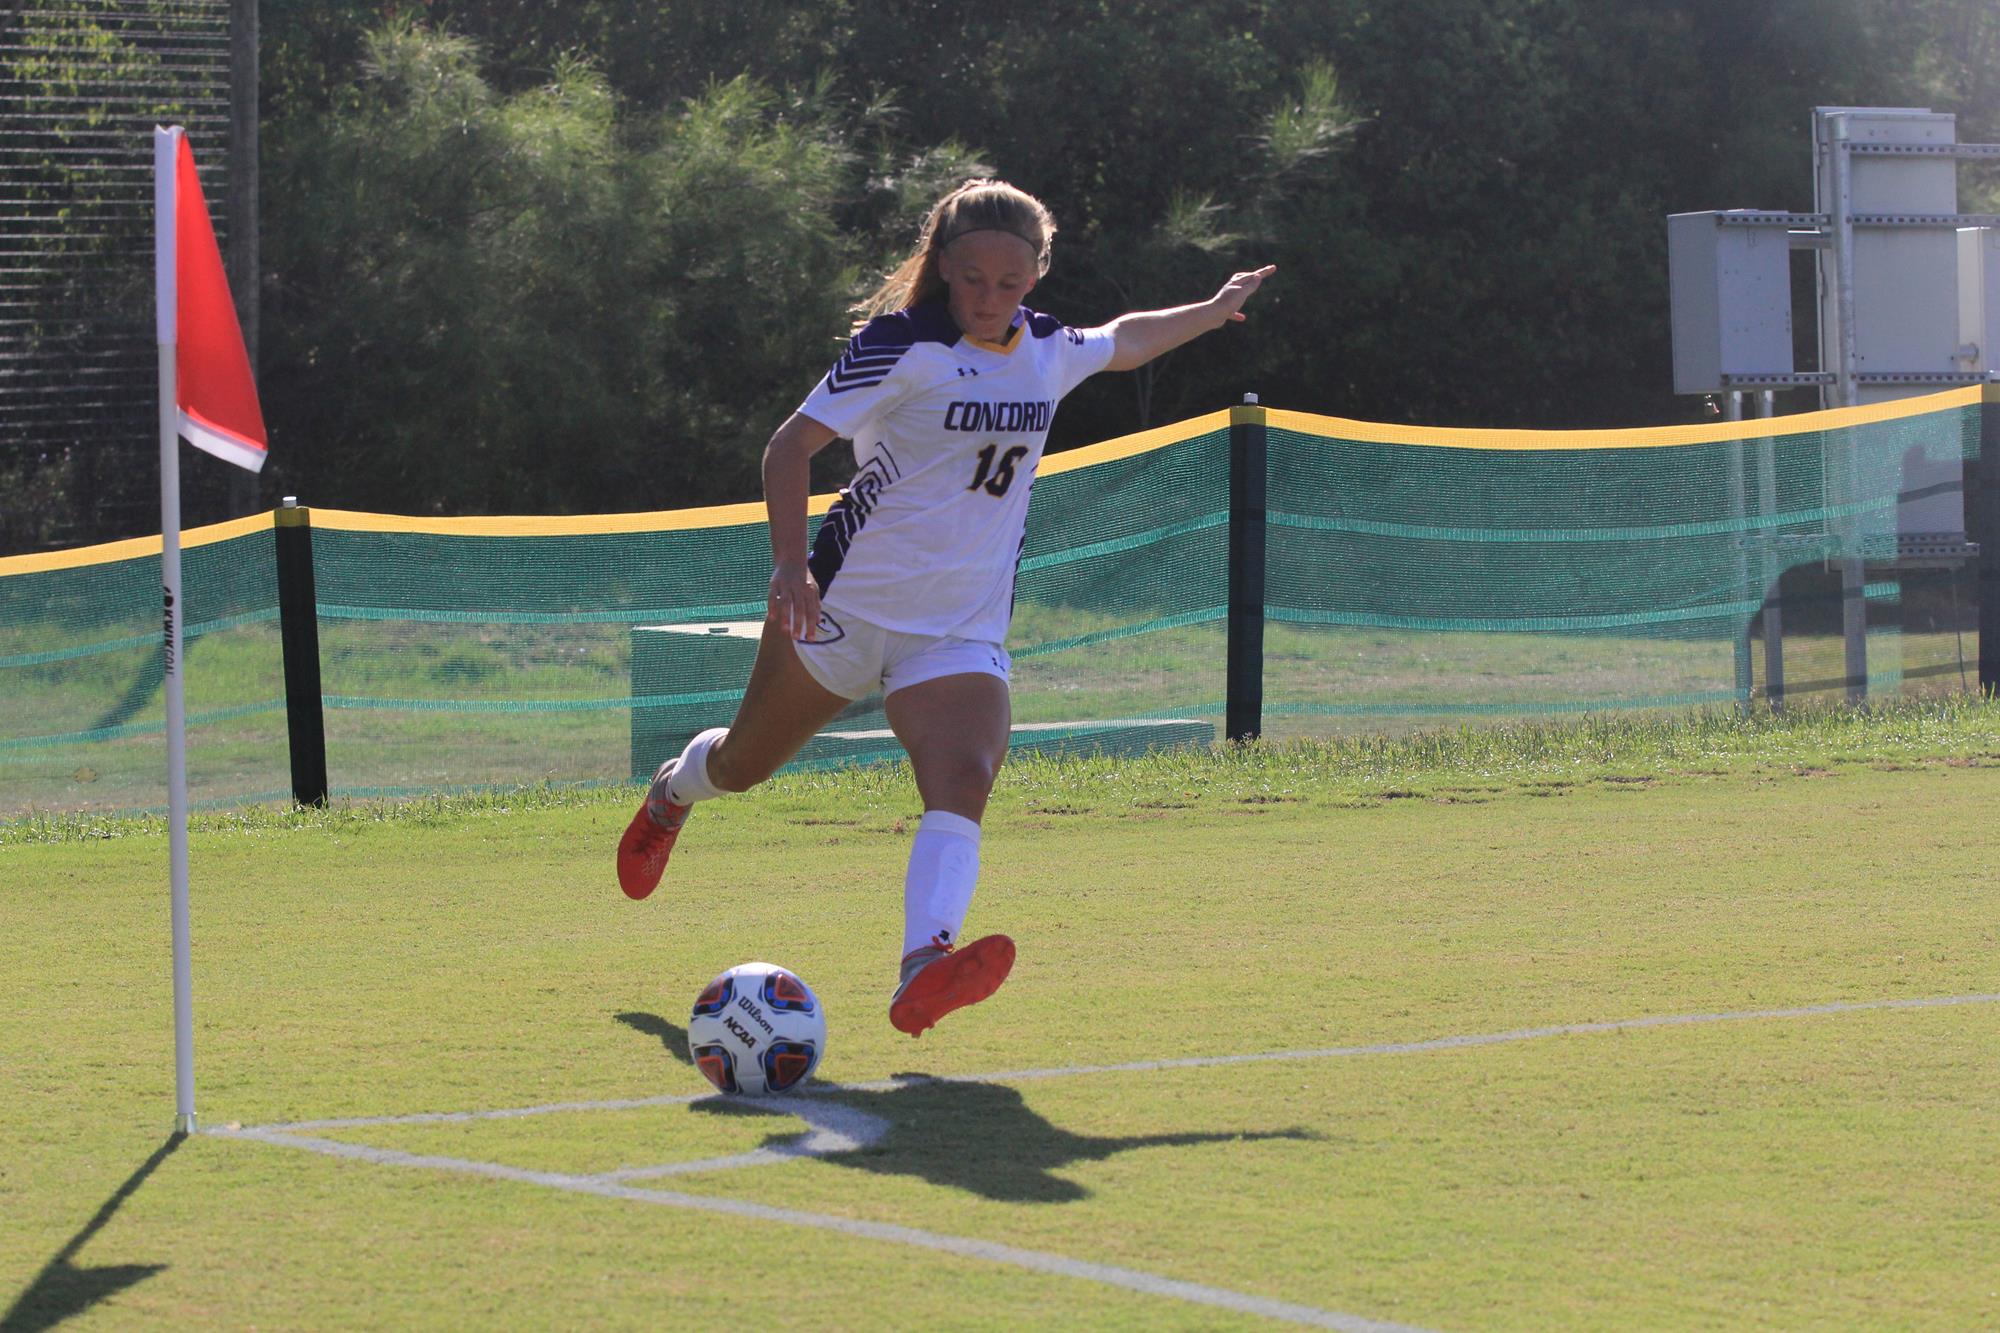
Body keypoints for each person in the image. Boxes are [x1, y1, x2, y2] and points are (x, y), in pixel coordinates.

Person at [618, 178, 1273, 1037]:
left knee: (964, 776)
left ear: (1036, 275)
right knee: (744, 767)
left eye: (1009, 281)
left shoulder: (1045, 347)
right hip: (843, 609)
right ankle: (674, 792)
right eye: (971, 279)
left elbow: (1121, 340)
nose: (989, 297)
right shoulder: (897, 345)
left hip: (960, 624)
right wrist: (787, 563)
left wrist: (1212, 307)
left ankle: (923, 963)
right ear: (943, 268)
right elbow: (790, 445)